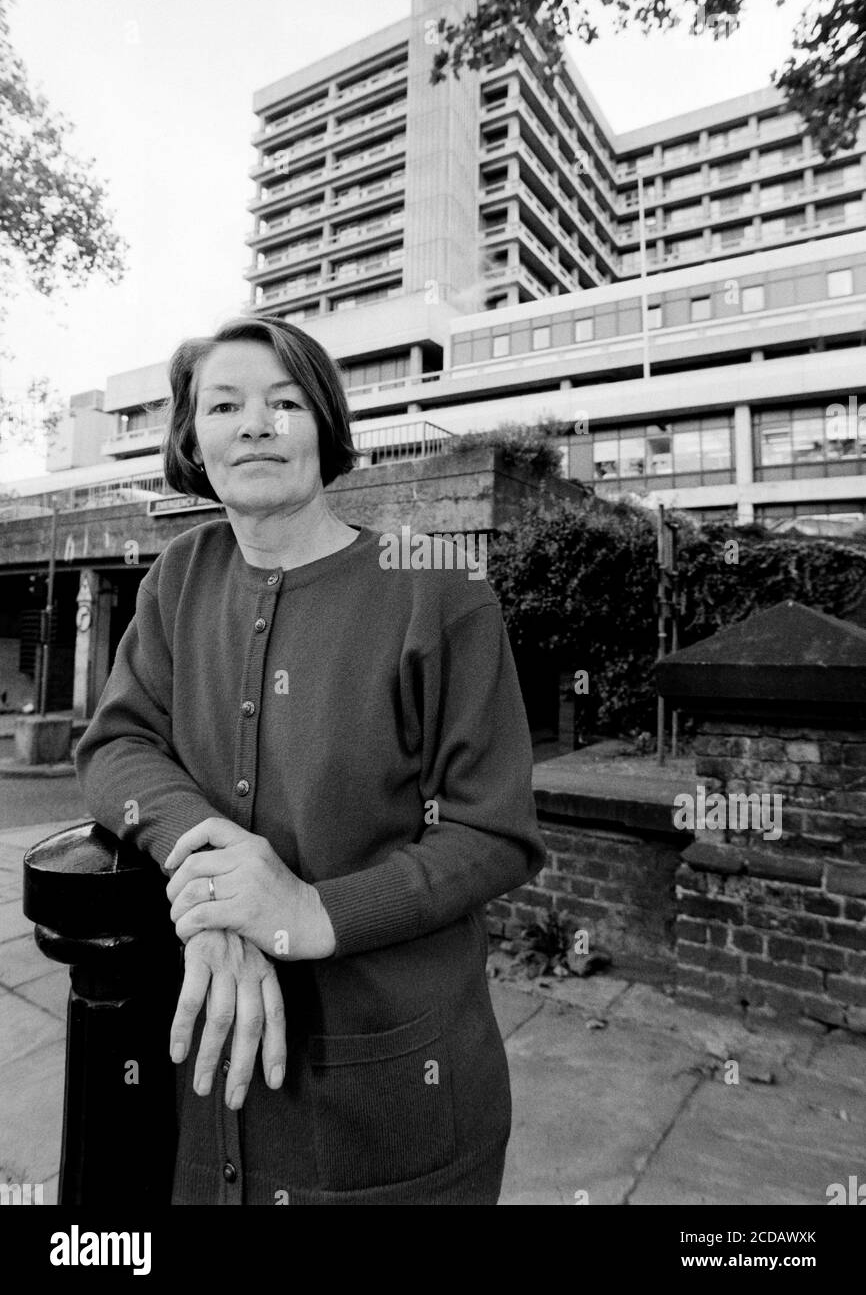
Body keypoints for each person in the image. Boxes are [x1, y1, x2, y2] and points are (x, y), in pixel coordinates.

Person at [74, 313, 545, 1205]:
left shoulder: (437, 591)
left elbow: (496, 832)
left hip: (394, 1094)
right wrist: (215, 871)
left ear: (325, 427)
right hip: (214, 1086)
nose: (255, 424)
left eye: (284, 401)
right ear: (192, 440)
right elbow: (116, 742)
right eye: (224, 405)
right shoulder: (179, 577)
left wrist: (302, 911)